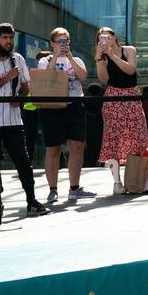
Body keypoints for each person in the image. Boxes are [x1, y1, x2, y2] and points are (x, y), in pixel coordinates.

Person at [0, 24, 48, 219]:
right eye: (4, 38)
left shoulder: (18, 59)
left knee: (23, 162)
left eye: (10, 38)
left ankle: (31, 201)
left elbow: (26, 85)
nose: (8, 42)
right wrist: (7, 78)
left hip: (14, 120)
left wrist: (21, 99)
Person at [38, 28, 94, 203]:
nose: (63, 44)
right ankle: (53, 189)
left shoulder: (76, 59)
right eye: (60, 41)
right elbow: (45, 77)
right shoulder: (44, 60)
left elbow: (83, 77)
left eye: (66, 41)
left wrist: (69, 57)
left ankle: (74, 188)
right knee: (53, 148)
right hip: (52, 108)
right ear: (53, 43)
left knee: (77, 146)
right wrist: (55, 56)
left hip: (75, 104)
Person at [94, 28, 148, 195]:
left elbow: (130, 70)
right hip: (113, 98)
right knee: (113, 139)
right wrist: (99, 57)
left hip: (131, 96)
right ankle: (117, 182)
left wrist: (112, 55)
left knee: (138, 136)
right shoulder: (101, 56)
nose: (105, 40)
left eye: (108, 37)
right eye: (101, 38)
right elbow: (104, 79)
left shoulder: (129, 50)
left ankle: (136, 178)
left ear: (115, 37)